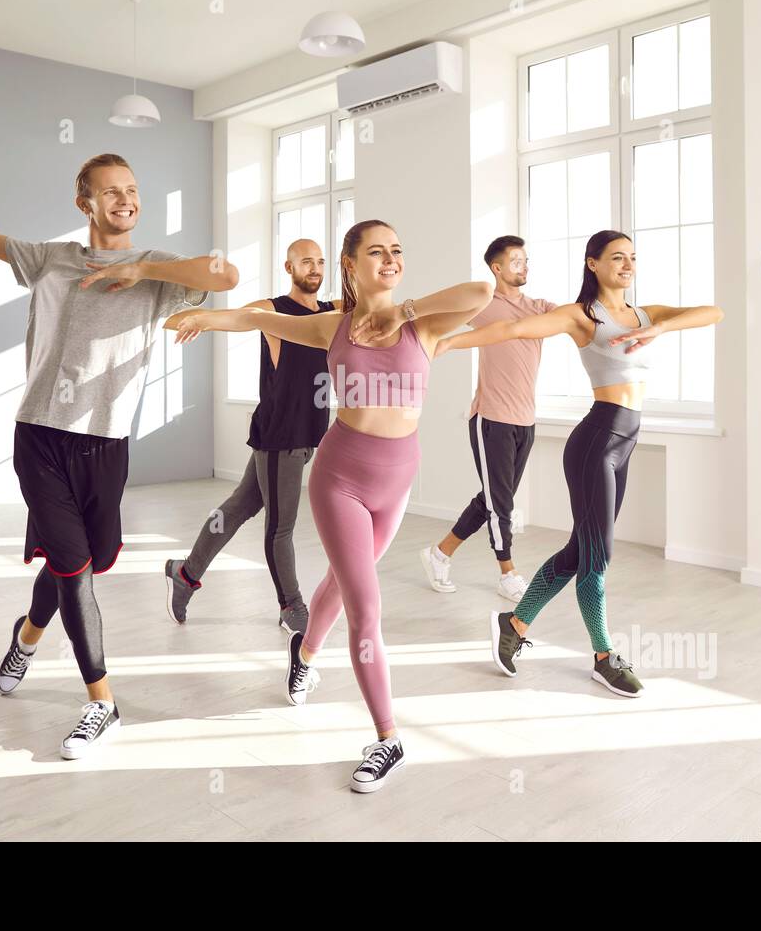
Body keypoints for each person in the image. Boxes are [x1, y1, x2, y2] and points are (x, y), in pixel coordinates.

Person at [0, 152, 238, 758]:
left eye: (132, 190)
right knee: (74, 567)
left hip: (106, 444)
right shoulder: (53, 259)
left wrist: (138, 272)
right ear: (85, 204)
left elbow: (224, 274)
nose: (125, 200)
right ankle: (102, 703)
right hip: (40, 434)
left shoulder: (157, 268)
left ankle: (26, 637)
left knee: (73, 559)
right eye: (111, 192)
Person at [172, 220, 493, 791]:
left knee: (342, 588)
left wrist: (406, 310)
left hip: (398, 479)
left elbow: (482, 292)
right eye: (377, 252)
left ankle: (305, 651)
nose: (391, 259)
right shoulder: (332, 328)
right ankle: (387, 737)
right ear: (350, 265)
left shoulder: (426, 325)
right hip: (339, 476)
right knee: (366, 604)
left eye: (397, 250)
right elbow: (256, 318)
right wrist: (206, 317)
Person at [436, 230, 722, 695]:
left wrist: (659, 327)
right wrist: (449, 343)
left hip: (624, 441)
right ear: (593, 263)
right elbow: (510, 329)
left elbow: (714, 312)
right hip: (595, 441)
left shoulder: (642, 314)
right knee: (598, 556)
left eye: (632, 257)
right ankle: (604, 655)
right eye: (616, 257)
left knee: (580, 550)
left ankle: (516, 622)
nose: (627, 265)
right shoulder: (581, 316)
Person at [162, 239, 339, 632]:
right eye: (305, 261)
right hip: (280, 437)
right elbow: (231, 317)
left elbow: (375, 309)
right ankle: (291, 605)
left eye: (320, 261)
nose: (315, 268)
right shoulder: (272, 310)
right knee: (281, 527)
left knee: (239, 507)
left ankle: (186, 573)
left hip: (309, 435)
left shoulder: (331, 312)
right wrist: (195, 319)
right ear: (288, 267)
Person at [418, 234, 554, 604]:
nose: (524, 265)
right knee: (502, 503)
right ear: (496, 268)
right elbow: (443, 311)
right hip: (491, 418)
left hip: (526, 420)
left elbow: (581, 319)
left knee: (494, 498)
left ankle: (440, 553)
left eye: (526, 260)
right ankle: (507, 572)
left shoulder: (540, 308)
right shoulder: (484, 306)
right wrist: (414, 315)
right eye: (515, 260)